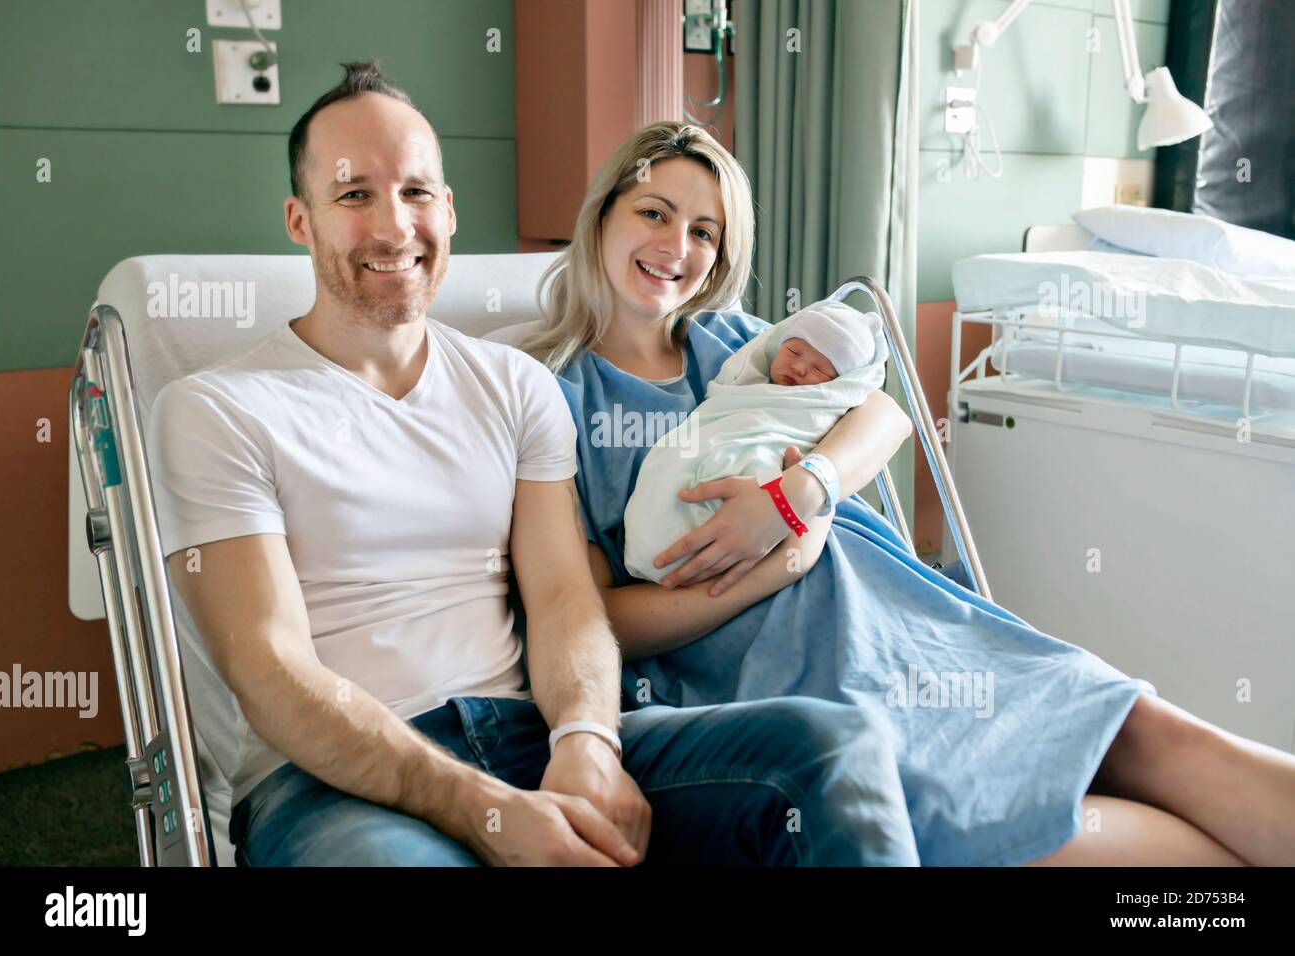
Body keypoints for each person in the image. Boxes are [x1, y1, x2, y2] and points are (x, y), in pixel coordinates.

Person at [146, 61, 922, 866]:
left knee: (834, 746)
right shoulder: (218, 409)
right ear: (300, 220)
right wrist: (484, 809)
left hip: (529, 736)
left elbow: (562, 598)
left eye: (415, 192)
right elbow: (267, 668)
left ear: (447, 210)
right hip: (333, 782)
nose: (391, 226)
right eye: (352, 194)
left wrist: (587, 738)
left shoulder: (516, 385)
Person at [521, 120, 1295, 866]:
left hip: (897, 607)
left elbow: (884, 413)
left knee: (1135, 725)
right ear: (602, 218)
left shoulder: (742, 344)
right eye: (654, 212)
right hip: (776, 668)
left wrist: (800, 493)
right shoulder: (553, 396)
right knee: (1018, 822)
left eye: (703, 231)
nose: (675, 246)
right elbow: (592, 618)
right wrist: (776, 562)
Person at [622, 299, 887, 584]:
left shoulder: (817, 405)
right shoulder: (748, 370)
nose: (799, 367)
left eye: (821, 370)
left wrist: (802, 491)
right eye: (794, 351)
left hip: (802, 514)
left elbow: (890, 417)